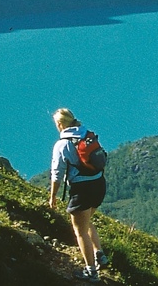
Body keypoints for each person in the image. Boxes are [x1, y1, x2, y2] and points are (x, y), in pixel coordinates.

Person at [48, 108, 107, 281]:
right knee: (86, 220)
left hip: (82, 190)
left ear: (60, 124)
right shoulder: (86, 133)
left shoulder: (62, 145)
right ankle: (99, 254)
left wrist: (53, 196)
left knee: (80, 231)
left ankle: (91, 272)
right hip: (99, 184)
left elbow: (57, 174)